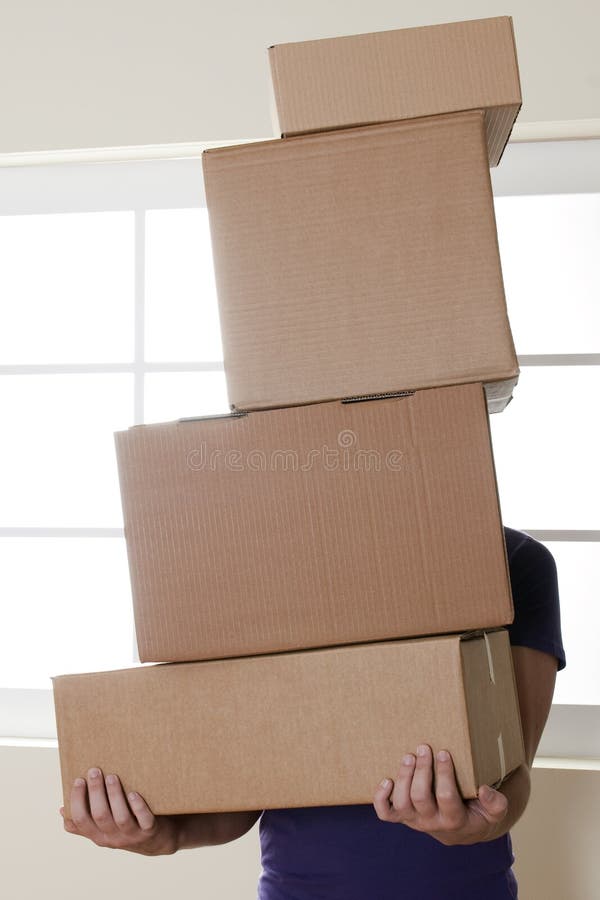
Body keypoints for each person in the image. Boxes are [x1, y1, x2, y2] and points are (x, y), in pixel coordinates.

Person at [60, 526, 565, 899]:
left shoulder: (514, 562)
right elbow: (246, 796)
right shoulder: (265, 572)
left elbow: (513, 775)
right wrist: (164, 834)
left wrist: (476, 825)